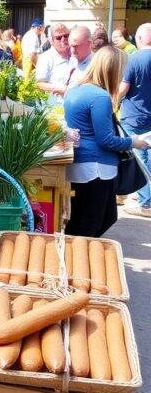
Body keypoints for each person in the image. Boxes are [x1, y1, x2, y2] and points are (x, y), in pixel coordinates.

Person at [63, 47, 147, 237]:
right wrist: (133, 142)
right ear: (113, 69)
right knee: (92, 224)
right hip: (96, 168)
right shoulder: (100, 97)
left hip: (81, 164)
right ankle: (79, 263)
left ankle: (72, 260)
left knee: (80, 221)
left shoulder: (75, 90)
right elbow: (105, 139)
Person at [119, 23, 151, 218]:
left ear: (139, 39)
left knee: (140, 160)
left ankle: (146, 202)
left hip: (135, 116)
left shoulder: (134, 59)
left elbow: (123, 89)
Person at [35, 23, 73, 97]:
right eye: (58, 38)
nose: (63, 39)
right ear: (52, 41)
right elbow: (39, 84)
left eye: (66, 36)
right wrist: (62, 89)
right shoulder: (45, 58)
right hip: (57, 103)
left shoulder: (76, 53)